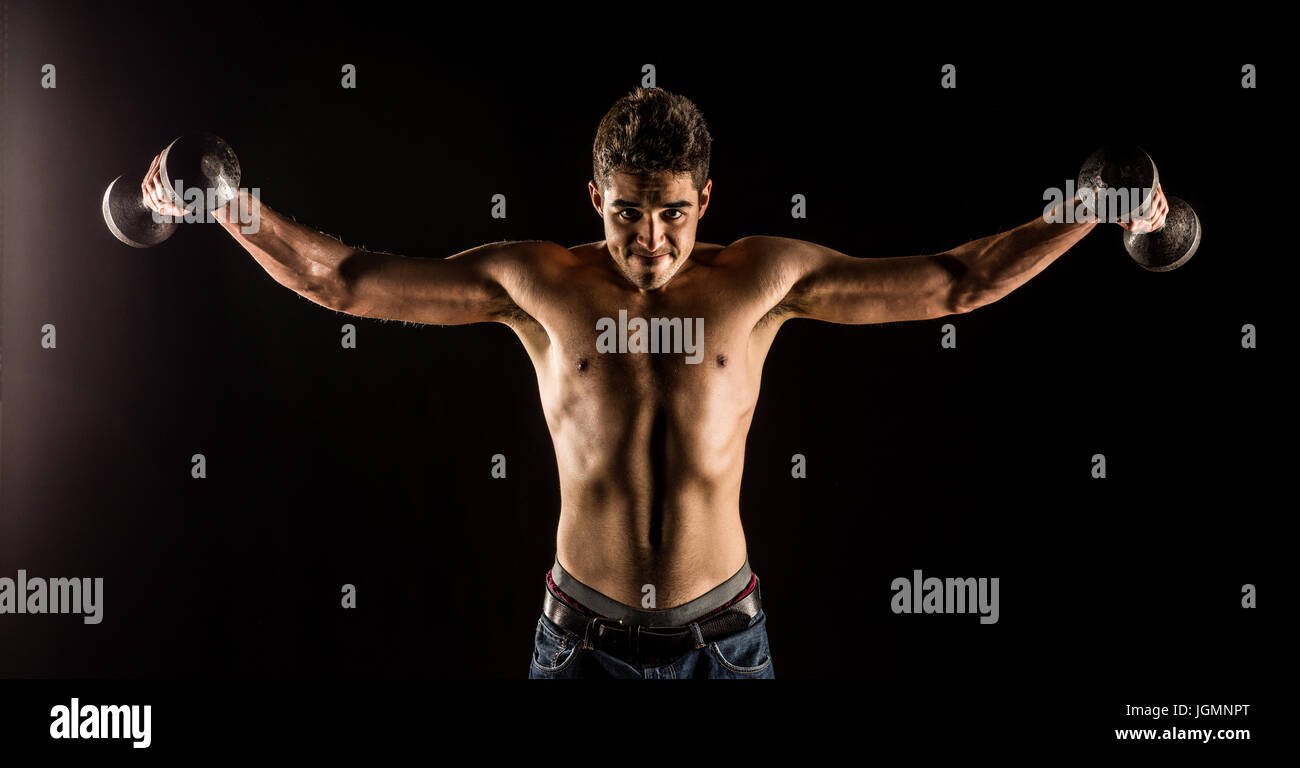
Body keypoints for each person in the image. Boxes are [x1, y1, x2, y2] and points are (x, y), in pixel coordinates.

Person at [141, 87, 1167, 678]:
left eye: (672, 211)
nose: (649, 237)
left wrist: (1085, 203)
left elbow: (955, 285)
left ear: (704, 196)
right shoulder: (536, 282)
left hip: (725, 643)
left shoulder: (761, 279)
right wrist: (229, 204)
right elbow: (348, 285)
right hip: (577, 642)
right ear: (594, 195)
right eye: (627, 210)